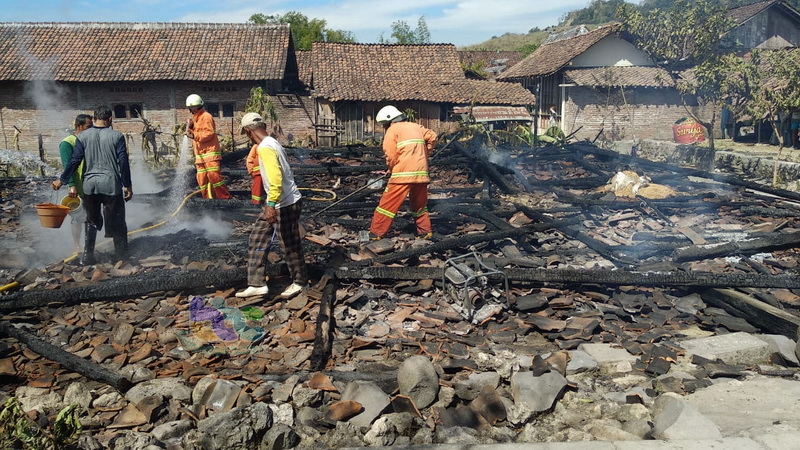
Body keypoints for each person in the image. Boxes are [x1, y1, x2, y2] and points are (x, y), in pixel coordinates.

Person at [236, 112, 308, 299]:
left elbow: (275, 180)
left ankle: (299, 282)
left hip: (283, 204)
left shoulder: (265, 148)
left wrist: (270, 205)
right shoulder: (272, 142)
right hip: (281, 201)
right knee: (257, 238)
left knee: (288, 244)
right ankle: (257, 283)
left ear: (248, 131)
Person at [52, 106, 133, 265]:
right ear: (110, 119)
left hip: (90, 185)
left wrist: (62, 180)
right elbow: (123, 162)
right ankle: (121, 257)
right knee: (117, 221)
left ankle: (88, 256)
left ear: (95, 118)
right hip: (111, 185)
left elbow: (74, 161)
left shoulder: (82, 137)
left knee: (91, 220)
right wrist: (127, 185)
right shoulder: (117, 136)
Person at [369, 105, 437, 240]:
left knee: (386, 205)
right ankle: (425, 232)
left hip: (402, 175)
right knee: (419, 205)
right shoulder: (416, 126)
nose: (385, 127)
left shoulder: (393, 130)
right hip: (421, 174)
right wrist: (424, 153)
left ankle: (376, 234)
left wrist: (390, 168)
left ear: (390, 121)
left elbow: (390, 154)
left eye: (385, 124)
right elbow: (433, 136)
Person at [185, 94, 231, 199]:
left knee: (215, 178)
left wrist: (193, 135)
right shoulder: (196, 118)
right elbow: (198, 133)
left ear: (197, 106)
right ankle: (208, 201)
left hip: (210, 154)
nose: (191, 109)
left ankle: (224, 199)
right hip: (200, 157)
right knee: (202, 180)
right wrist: (190, 128)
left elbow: (208, 133)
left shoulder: (206, 117)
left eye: (192, 107)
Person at [59, 114, 93, 252]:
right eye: (88, 127)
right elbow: (67, 165)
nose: (91, 130)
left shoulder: (88, 140)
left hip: (90, 184)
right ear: (79, 126)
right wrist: (71, 184)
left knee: (91, 216)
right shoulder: (68, 143)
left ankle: (89, 244)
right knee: (77, 217)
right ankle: (77, 245)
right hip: (77, 186)